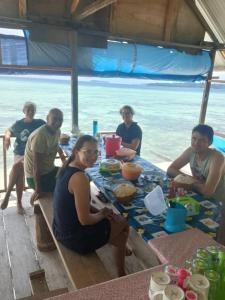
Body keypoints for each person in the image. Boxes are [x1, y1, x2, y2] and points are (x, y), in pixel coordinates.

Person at [53, 135, 130, 277]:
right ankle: (121, 268)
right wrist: (102, 214)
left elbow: (79, 205)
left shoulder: (67, 167)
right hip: (75, 238)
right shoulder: (80, 178)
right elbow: (85, 220)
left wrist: (101, 211)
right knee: (124, 222)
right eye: (87, 151)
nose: (93, 156)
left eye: (95, 152)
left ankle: (120, 254)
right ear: (77, 151)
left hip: (60, 229)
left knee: (117, 226)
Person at [0, 102, 45, 214]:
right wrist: (6, 138)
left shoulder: (39, 123)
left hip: (31, 154)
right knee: (19, 172)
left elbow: (50, 128)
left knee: (17, 167)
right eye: (28, 109)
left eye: (32, 109)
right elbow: (8, 130)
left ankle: (9, 195)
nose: (30, 111)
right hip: (19, 154)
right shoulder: (18, 124)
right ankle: (18, 203)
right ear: (24, 111)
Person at [167, 124, 225, 200]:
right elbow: (170, 169)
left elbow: (208, 192)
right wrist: (190, 180)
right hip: (197, 194)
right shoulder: (191, 151)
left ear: (210, 143)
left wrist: (188, 181)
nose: (196, 143)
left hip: (216, 201)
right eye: (194, 138)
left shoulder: (217, 158)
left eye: (202, 140)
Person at [24, 108, 66, 205]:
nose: (58, 122)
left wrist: (64, 159)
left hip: (49, 171)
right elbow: (36, 167)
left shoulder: (57, 131)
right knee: (68, 186)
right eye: (54, 119)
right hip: (36, 177)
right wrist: (38, 190)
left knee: (72, 176)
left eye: (60, 120)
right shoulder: (40, 136)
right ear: (47, 118)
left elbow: (56, 146)